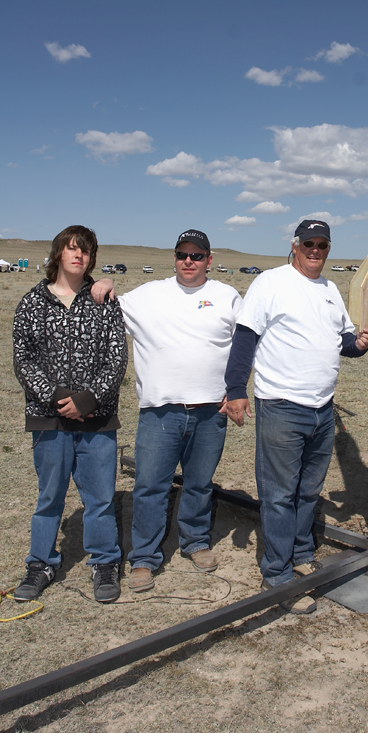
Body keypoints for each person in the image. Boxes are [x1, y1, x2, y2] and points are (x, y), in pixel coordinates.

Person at [224, 220, 368, 613]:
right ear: (295, 246)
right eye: (308, 243)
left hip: (322, 410)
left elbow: (341, 340)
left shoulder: (329, 290)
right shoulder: (270, 283)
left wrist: (357, 345)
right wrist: (236, 391)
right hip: (281, 406)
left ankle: (302, 553)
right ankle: (277, 574)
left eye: (322, 244)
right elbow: (245, 337)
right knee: (278, 495)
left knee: (309, 490)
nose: (315, 250)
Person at [92, 229, 241, 592]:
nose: (188, 262)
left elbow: (245, 346)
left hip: (210, 409)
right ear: (173, 258)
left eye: (196, 255)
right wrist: (105, 280)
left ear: (209, 259)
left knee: (199, 483)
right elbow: (106, 304)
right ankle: (144, 557)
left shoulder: (227, 296)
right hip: (161, 411)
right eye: (181, 255)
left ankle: (196, 542)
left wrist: (236, 391)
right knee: (150, 485)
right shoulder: (148, 295)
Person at [13, 226, 127, 604]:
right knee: (50, 497)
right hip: (50, 420)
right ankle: (41, 563)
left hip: (97, 419)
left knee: (99, 497)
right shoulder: (32, 303)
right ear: (58, 254)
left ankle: (105, 562)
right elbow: (24, 360)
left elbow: (116, 358)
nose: (78, 256)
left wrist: (88, 400)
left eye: (86, 251)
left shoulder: (103, 302)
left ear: (92, 258)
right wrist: (60, 398)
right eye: (71, 248)